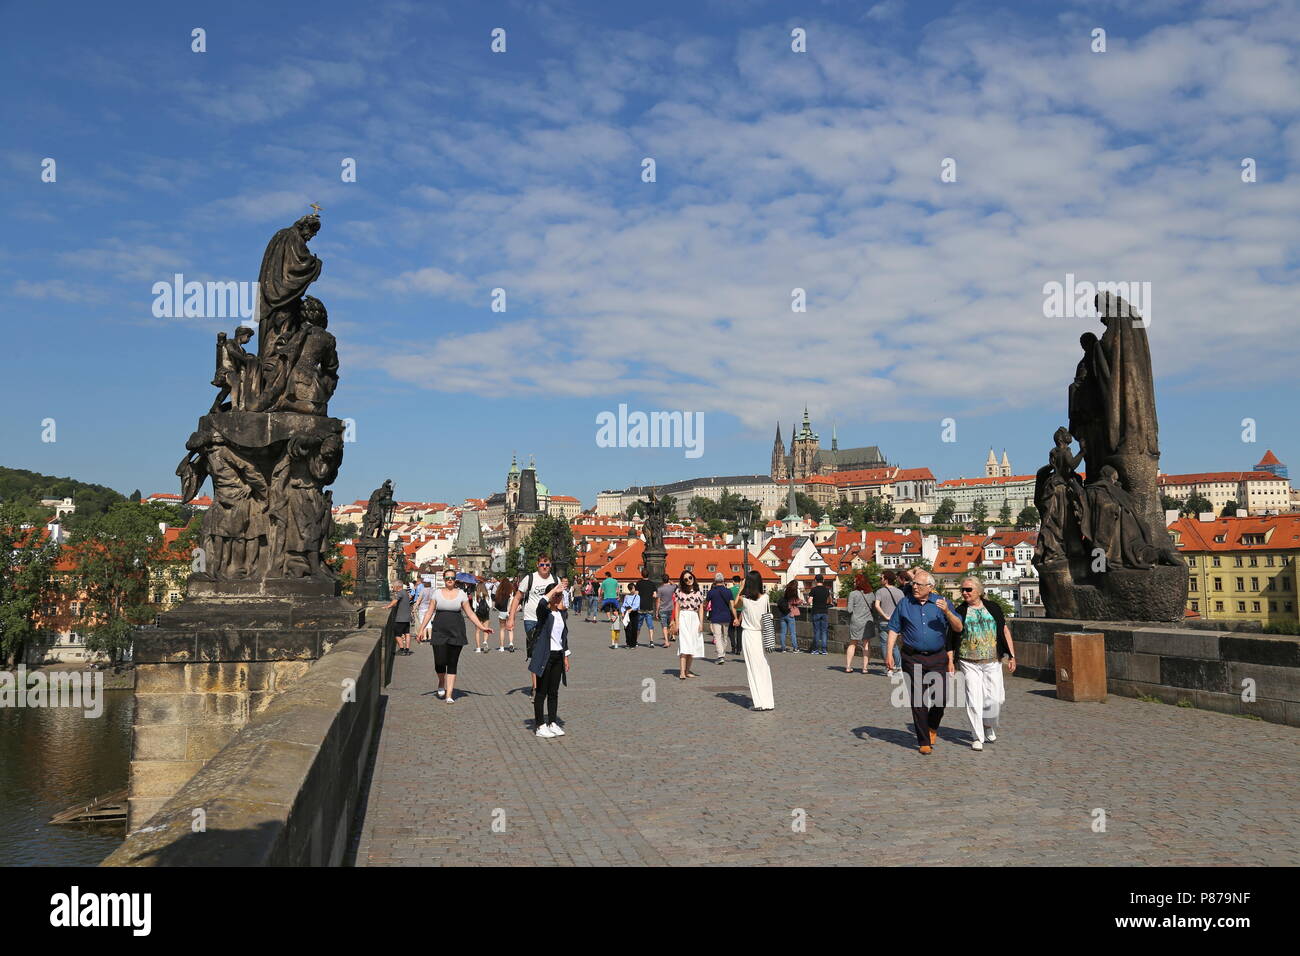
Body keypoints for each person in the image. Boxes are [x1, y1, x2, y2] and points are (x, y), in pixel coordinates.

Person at [884, 569, 963, 754]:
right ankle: (923, 741)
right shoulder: (905, 603)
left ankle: (932, 726)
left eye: (919, 584)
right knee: (918, 700)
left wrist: (947, 612)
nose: (915, 587)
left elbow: (958, 627)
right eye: (913, 584)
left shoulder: (942, 602)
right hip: (913, 657)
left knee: (942, 697)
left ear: (930, 587)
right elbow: (894, 629)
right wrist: (889, 653)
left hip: (937, 656)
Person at [949, 578, 1016, 750]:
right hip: (968, 661)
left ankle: (988, 724)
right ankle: (977, 736)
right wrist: (950, 659)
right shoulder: (960, 611)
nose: (965, 592)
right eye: (963, 589)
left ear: (979, 590)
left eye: (968, 589)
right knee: (974, 698)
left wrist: (1012, 655)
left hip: (992, 660)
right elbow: (950, 637)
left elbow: (1003, 631)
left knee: (996, 699)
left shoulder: (993, 608)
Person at [416, 568, 493, 704]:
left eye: (452, 578)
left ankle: (449, 694)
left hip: (456, 631)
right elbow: (429, 612)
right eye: (447, 578)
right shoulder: (437, 593)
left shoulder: (461, 594)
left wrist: (482, 627)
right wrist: (421, 629)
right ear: (444, 580)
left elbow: (470, 613)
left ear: (455, 580)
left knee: (452, 662)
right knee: (439, 662)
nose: (450, 580)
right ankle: (441, 682)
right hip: (439, 630)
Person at [507, 557, 558, 696]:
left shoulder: (555, 579)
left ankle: (544, 682)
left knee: (548, 651)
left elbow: (559, 600)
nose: (545, 567)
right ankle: (536, 688)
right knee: (536, 652)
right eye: (542, 564)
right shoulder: (529, 578)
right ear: (537, 565)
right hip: (531, 619)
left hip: (549, 619)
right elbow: (517, 598)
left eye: (547, 564)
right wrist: (511, 618)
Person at [530, 589, 571, 738]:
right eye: (555, 595)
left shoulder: (561, 614)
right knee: (541, 692)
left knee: (554, 692)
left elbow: (563, 638)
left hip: (557, 656)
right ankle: (540, 725)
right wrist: (553, 591)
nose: (557, 598)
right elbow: (541, 604)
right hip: (545, 656)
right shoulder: (544, 614)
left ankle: (552, 722)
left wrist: (565, 656)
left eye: (560, 595)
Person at [734, 570, 774, 710]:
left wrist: (740, 587)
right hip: (762, 635)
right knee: (763, 667)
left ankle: (758, 702)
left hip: (749, 635)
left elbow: (735, 605)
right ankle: (768, 701)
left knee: (752, 669)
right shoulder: (766, 598)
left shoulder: (744, 600)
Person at [670, 570, 705, 679]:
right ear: (683, 581)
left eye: (690, 577)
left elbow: (701, 609)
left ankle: (687, 670)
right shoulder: (679, 592)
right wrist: (676, 622)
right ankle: (682, 672)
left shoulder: (698, 593)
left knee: (692, 646)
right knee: (684, 645)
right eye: (686, 579)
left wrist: (701, 623)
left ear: (693, 577)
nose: (689, 580)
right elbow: (677, 607)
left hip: (694, 618)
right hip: (684, 617)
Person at [872, 570, 904, 671]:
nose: (880, 580)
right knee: (893, 645)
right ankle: (898, 666)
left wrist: (885, 616)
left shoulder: (880, 591)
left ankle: (889, 667)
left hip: (883, 622)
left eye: (881, 578)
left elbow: (877, 606)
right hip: (896, 623)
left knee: (884, 644)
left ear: (886, 580)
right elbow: (903, 607)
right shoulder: (900, 592)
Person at [844, 573, 875, 673]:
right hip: (867, 621)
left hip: (856, 621)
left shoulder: (853, 594)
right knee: (866, 644)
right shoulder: (871, 594)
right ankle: (865, 668)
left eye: (854, 581)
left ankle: (848, 666)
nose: (853, 583)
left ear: (857, 583)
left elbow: (849, 610)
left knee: (852, 643)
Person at [705, 572, 734, 665]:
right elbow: (732, 605)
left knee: (717, 636)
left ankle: (720, 655)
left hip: (715, 616)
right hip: (726, 616)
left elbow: (706, 603)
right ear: (723, 580)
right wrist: (736, 617)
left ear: (714, 581)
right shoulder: (728, 591)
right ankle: (722, 653)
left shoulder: (711, 592)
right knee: (725, 636)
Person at [386, 583, 413, 655]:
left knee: (397, 634)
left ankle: (401, 650)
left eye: (393, 586)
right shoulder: (406, 592)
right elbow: (410, 597)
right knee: (407, 633)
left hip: (400, 618)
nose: (393, 587)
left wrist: (388, 606)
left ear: (397, 586)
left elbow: (395, 600)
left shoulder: (400, 593)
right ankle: (407, 650)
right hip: (407, 617)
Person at [493, 573, 516, 652]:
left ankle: (502, 647)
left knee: (502, 629)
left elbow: (496, 604)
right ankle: (511, 643)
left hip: (502, 612)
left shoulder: (500, 592)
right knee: (510, 629)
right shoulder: (511, 591)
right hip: (510, 612)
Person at [809, 574, 832, 655]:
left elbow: (809, 601)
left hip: (816, 611)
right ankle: (824, 650)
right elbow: (829, 600)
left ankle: (815, 649)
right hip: (824, 611)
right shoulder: (826, 590)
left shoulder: (813, 590)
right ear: (823, 580)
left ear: (815, 580)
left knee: (817, 631)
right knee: (824, 631)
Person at [636, 567, 659, 647]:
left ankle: (636, 641)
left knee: (638, 625)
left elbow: (636, 594)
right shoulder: (652, 583)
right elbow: (655, 595)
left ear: (641, 574)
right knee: (650, 626)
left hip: (640, 607)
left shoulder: (638, 583)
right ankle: (651, 641)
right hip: (649, 607)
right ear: (648, 575)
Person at [777, 581, 800, 652]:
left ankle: (783, 648)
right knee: (793, 632)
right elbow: (794, 602)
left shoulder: (786, 590)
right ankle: (795, 648)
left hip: (783, 613)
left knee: (783, 632)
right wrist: (800, 601)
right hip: (790, 614)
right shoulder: (794, 592)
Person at [472, 581, 493, 653]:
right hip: (486, 614)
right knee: (486, 629)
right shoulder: (487, 595)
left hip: (477, 614)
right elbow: (490, 605)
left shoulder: (475, 594)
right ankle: (485, 641)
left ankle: (478, 648)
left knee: (477, 631)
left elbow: (473, 606)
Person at [655, 574, 675, 644]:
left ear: (662, 580)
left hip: (663, 609)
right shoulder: (672, 587)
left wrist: (657, 612)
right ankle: (669, 639)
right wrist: (669, 580)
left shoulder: (660, 589)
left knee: (664, 626)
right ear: (668, 579)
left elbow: (658, 601)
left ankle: (666, 641)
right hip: (670, 608)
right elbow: (676, 585)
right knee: (670, 624)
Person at [621, 582, 642, 648]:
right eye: (632, 589)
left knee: (634, 628)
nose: (633, 590)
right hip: (627, 613)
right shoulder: (626, 596)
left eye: (634, 588)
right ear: (630, 589)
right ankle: (628, 642)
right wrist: (622, 612)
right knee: (627, 628)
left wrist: (631, 609)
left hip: (634, 613)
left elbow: (637, 605)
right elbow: (624, 605)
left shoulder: (637, 596)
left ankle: (633, 643)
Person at [727, 575, 743, 654]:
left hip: (733, 611)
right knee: (740, 631)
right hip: (742, 611)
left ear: (733, 581)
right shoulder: (743, 590)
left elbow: (729, 602)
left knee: (731, 630)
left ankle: (733, 647)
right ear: (740, 581)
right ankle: (739, 649)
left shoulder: (730, 590)